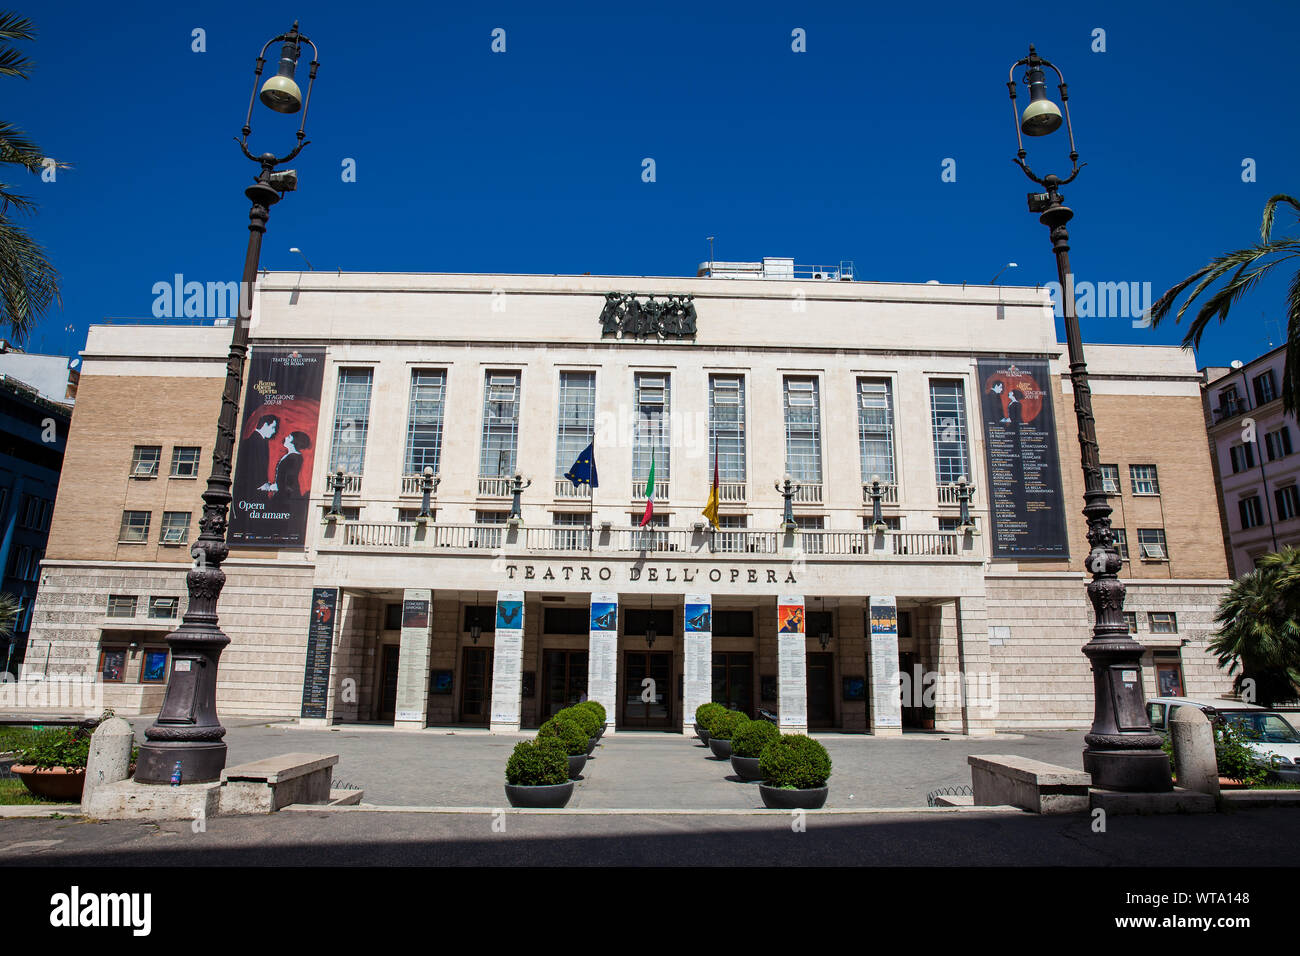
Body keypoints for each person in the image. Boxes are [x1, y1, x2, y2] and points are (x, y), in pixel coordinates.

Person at [237, 414, 278, 502]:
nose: (274, 431)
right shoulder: (255, 441)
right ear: (265, 425)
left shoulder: (259, 440)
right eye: (273, 427)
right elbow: (252, 469)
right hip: (252, 494)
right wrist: (262, 485)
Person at [267, 431, 311, 504]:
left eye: (289, 437)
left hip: (286, 495)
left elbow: (289, 479)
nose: (286, 438)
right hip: (284, 493)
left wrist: (272, 487)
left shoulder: (293, 458)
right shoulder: (291, 456)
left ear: (295, 442)